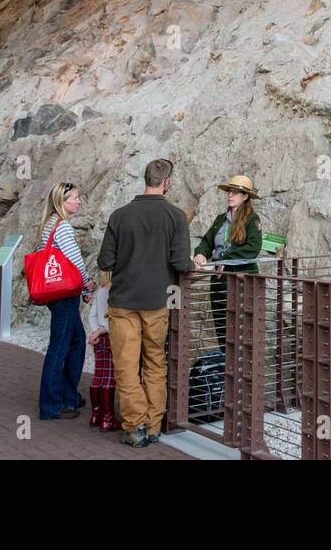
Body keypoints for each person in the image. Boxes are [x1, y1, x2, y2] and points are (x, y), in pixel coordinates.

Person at [97, 159, 192, 448]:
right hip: (157, 303)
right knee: (155, 364)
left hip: (123, 302)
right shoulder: (176, 217)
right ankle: (153, 425)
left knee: (126, 366)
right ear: (168, 182)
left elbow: (105, 261)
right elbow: (180, 263)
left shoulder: (120, 215)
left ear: (145, 179)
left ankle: (136, 427)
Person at [36, 181, 96, 421]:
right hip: (64, 294)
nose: (79, 201)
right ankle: (50, 405)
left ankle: (68, 395)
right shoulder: (62, 227)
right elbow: (74, 262)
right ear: (62, 201)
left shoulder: (48, 224)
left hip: (56, 293)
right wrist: (87, 285)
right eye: (75, 198)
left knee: (76, 341)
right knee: (59, 347)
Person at [192, 174, 264, 343]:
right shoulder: (220, 219)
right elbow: (207, 241)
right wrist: (200, 252)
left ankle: (240, 367)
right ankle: (226, 365)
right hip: (219, 280)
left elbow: (253, 248)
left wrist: (224, 259)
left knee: (240, 328)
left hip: (240, 280)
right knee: (221, 326)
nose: (230, 195)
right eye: (229, 192)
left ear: (245, 196)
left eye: (235, 192)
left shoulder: (252, 220)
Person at [86, 270, 118, 432]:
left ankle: (95, 415)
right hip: (110, 336)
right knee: (110, 378)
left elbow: (92, 315)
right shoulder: (116, 289)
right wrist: (102, 330)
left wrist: (94, 332)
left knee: (98, 375)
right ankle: (108, 418)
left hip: (98, 337)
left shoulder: (100, 290)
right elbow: (114, 316)